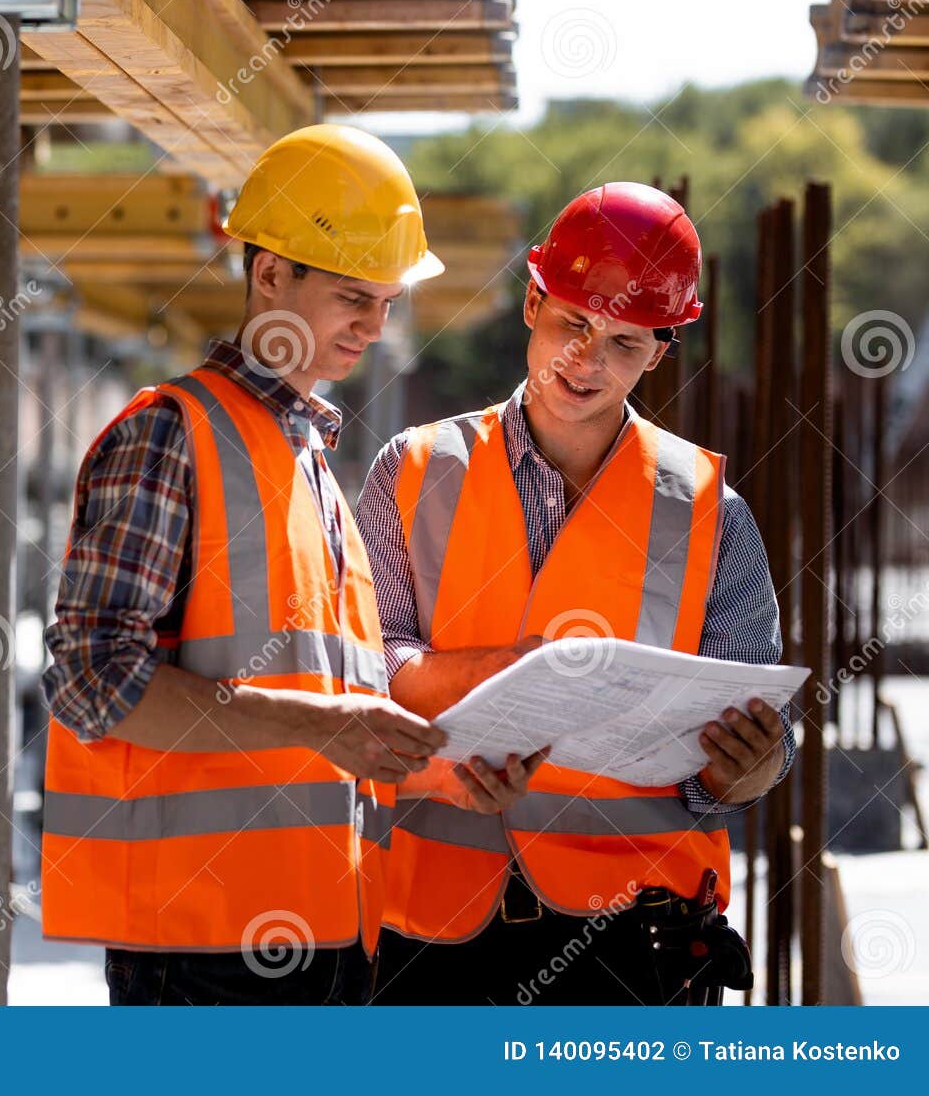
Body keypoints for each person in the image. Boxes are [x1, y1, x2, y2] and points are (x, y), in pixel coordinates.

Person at [39, 125, 459, 1005]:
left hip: (330, 935)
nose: (375, 328)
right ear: (270, 274)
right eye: (353, 296)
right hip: (202, 952)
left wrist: (441, 765)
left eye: (387, 301)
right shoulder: (169, 437)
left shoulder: (310, 460)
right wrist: (315, 726)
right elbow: (89, 680)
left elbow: (328, 714)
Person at [356, 183, 790, 1006]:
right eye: (573, 324)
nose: (587, 361)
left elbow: (748, 734)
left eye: (624, 342)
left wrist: (751, 769)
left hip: (638, 941)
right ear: (532, 301)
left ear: (660, 350)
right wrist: (491, 680)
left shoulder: (710, 513)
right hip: (429, 931)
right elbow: (362, 662)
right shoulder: (413, 470)